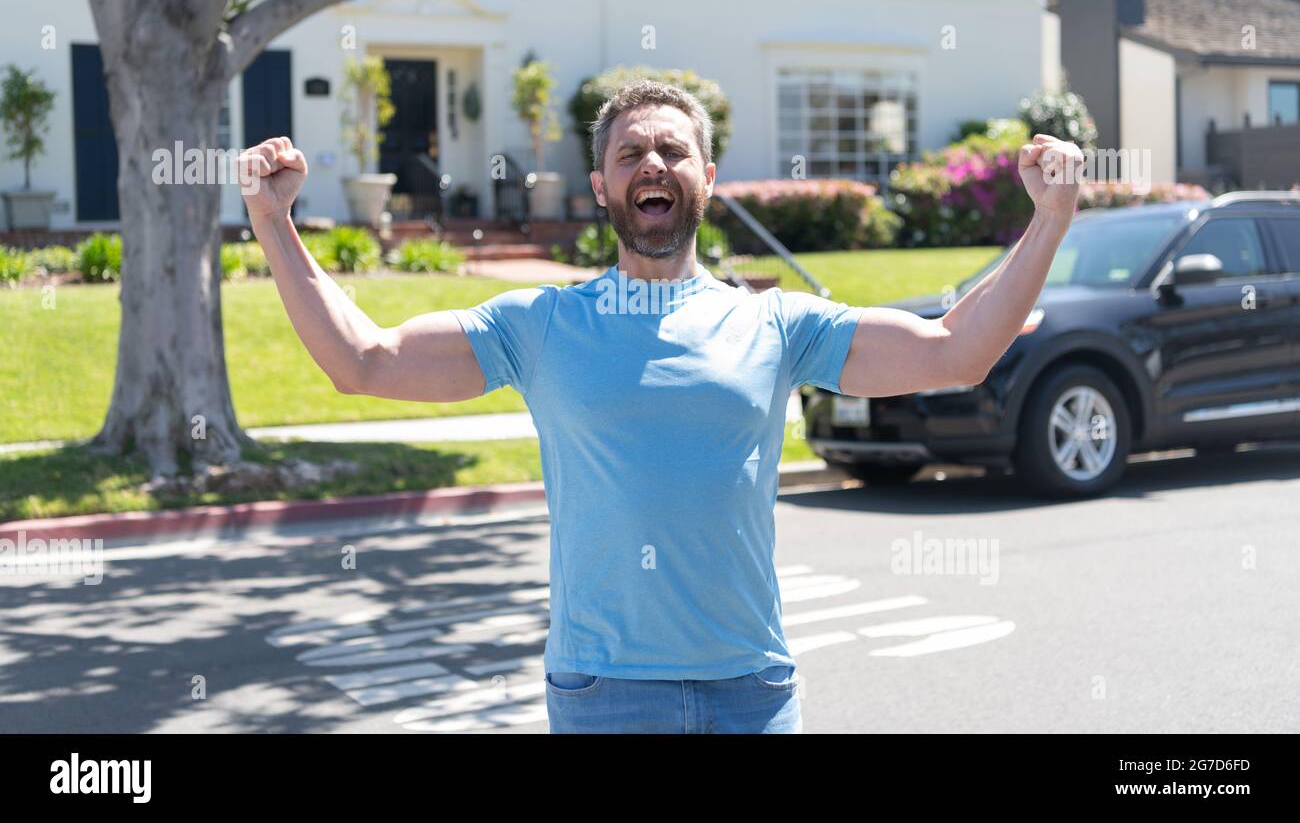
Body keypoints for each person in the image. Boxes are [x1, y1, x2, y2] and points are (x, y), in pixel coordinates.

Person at [237, 80, 1084, 734]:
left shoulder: (777, 322)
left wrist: (1048, 221)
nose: (653, 165)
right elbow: (363, 361)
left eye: (674, 152)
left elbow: (955, 352)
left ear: (706, 179)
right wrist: (274, 222)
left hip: (751, 690)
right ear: (602, 186)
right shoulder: (538, 325)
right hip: (605, 695)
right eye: (632, 153)